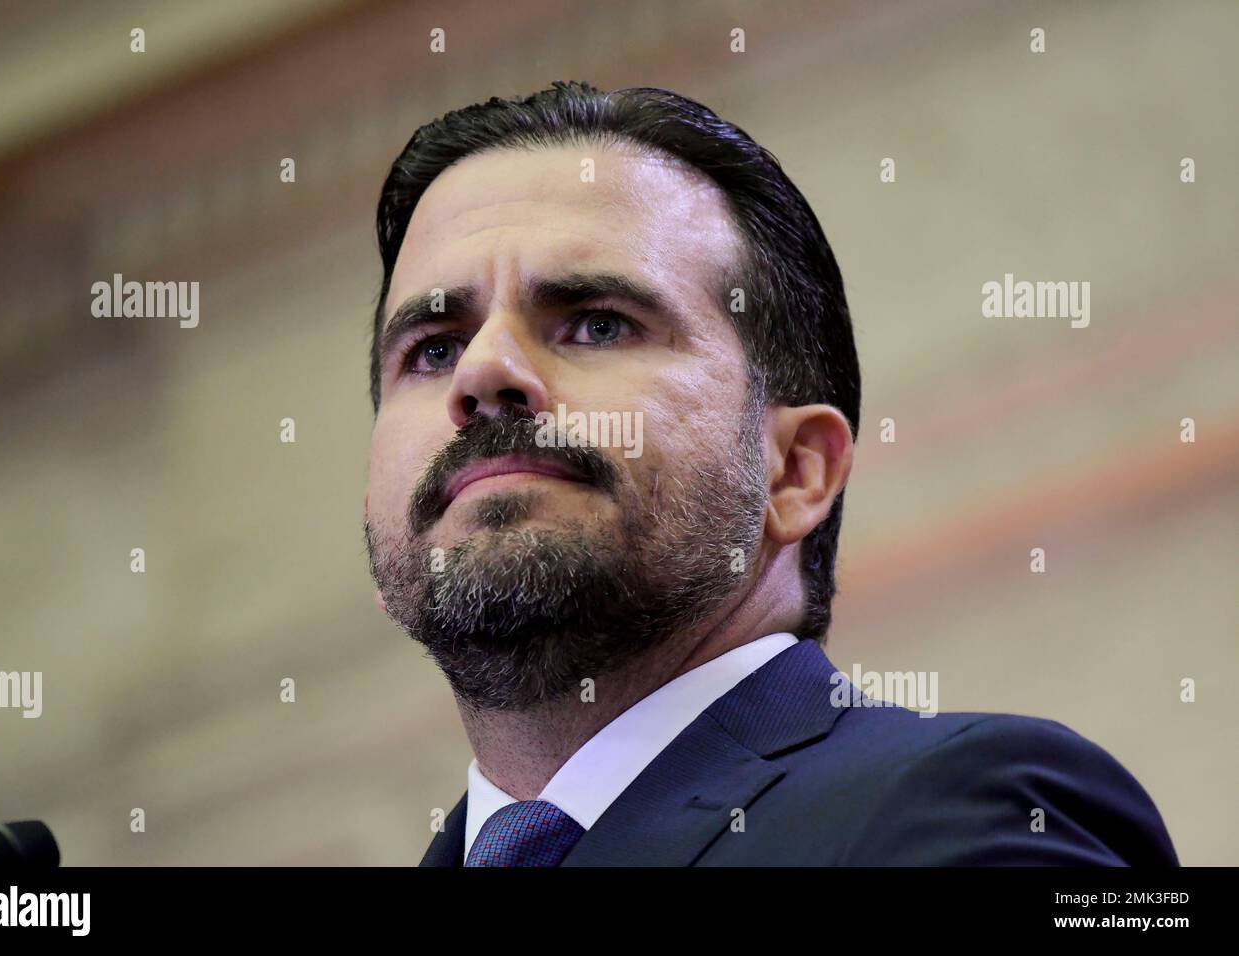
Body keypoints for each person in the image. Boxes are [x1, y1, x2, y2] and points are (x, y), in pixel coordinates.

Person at [361, 81, 1178, 866]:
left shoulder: (966, 814)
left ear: (795, 471)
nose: (484, 371)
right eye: (432, 349)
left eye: (597, 324)